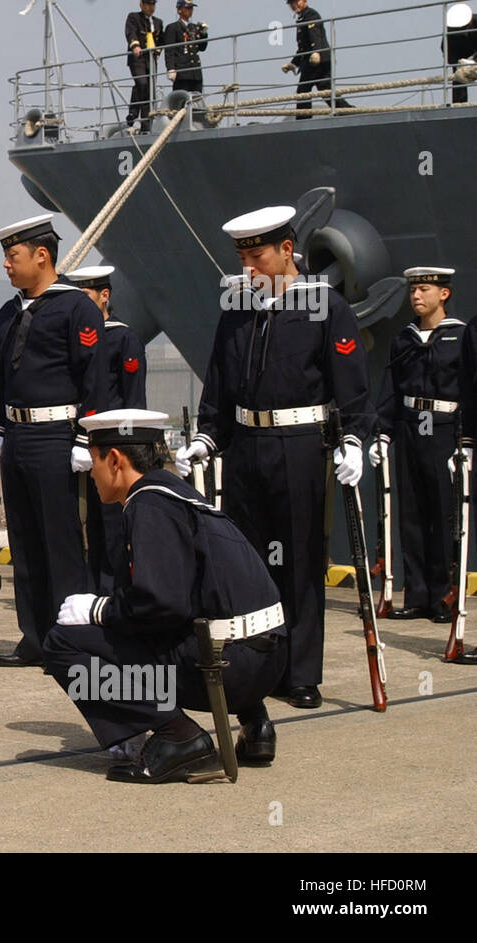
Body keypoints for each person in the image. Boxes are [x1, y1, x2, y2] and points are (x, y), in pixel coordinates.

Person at [177, 206, 370, 709]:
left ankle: (301, 673)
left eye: (257, 255)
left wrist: (354, 441)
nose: (249, 268)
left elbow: (350, 385)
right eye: (242, 257)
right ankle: (262, 664)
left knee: (301, 560)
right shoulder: (238, 310)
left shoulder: (326, 306)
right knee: (251, 563)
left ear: (287, 250)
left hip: (299, 446)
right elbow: (219, 384)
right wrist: (206, 438)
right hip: (245, 448)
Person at [42, 409, 287, 783]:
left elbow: (161, 604)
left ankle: (179, 737)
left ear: (114, 459)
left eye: (94, 461)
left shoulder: (148, 506)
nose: (91, 474)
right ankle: (255, 726)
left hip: (230, 670)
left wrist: (99, 610)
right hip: (266, 663)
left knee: (62, 642)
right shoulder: (179, 493)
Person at [0, 214, 107, 667]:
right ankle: (34, 638)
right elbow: (0, 374)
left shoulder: (76, 308)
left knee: (62, 542)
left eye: (12, 256)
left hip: (59, 435)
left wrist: (83, 437)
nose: (6, 265)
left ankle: (72, 637)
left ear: (41, 255)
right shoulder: (9, 311)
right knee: (27, 543)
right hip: (17, 434)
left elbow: (94, 377)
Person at [369, 268, 463, 625]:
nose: (416, 297)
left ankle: (443, 597)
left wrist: (465, 441)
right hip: (410, 429)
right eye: (413, 291)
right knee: (410, 515)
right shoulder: (403, 340)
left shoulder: (460, 337)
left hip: (443, 431)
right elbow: (391, 389)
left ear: (444, 294)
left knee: (443, 515)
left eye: (424, 289)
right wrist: (383, 433)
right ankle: (416, 595)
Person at [69, 265, 147, 593]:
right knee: (90, 525)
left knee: (114, 523)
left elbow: (133, 397)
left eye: (87, 298)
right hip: (80, 444)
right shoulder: (75, 339)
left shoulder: (122, 338)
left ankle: (116, 590)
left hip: (112, 445)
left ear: (104, 296)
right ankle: (93, 588)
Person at [282, 0, 352, 117]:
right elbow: (303, 48)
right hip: (312, 60)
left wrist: (317, 52)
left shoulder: (311, 15)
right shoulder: (301, 18)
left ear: (304, 1)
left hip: (317, 61)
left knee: (303, 91)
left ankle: (303, 120)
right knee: (324, 89)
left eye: (296, 2)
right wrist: (293, 64)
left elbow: (316, 36)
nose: (294, 6)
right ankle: (346, 111)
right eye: (291, 4)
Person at [124, 0, 164, 133]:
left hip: (151, 59)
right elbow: (131, 32)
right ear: (141, 5)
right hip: (138, 58)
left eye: (152, 4)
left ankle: (144, 124)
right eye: (147, 4)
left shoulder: (158, 22)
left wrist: (157, 52)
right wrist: (135, 45)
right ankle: (134, 114)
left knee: (149, 89)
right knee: (142, 83)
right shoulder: (134, 17)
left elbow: (161, 40)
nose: (150, 7)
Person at [163, 1, 208, 95]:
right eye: (187, 8)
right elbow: (169, 50)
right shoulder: (173, 27)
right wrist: (170, 68)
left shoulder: (195, 27)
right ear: (179, 10)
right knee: (181, 101)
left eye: (191, 8)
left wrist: (203, 34)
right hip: (182, 72)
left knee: (197, 101)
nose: (190, 11)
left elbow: (202, 47)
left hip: (195, 72)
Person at [446, 3, 477, 104]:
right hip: (461, 54)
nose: (462, 31)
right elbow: (447, 51)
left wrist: (474, 62)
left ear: (470, 22)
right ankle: (459, 103)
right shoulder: (450, 31)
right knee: (458, 75)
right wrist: (458, 64)